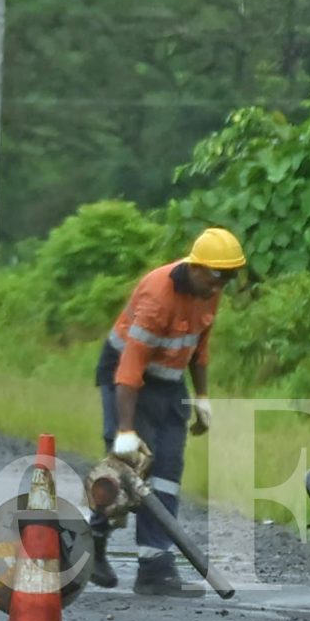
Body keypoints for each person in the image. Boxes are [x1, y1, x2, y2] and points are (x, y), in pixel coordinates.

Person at [93, 226, 246, 597]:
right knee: (128, 469)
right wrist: (126, 430)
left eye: (228, 278)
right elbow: (129, 367)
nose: (220, 286)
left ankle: (155, 568)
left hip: (170, 383)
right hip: (127, 380)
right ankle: (90, 541)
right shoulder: (157, 295)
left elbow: (200, 347)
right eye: (216, 276)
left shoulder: (209, 290)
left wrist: (203, 397)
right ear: (195, 267)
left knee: (166, 473)